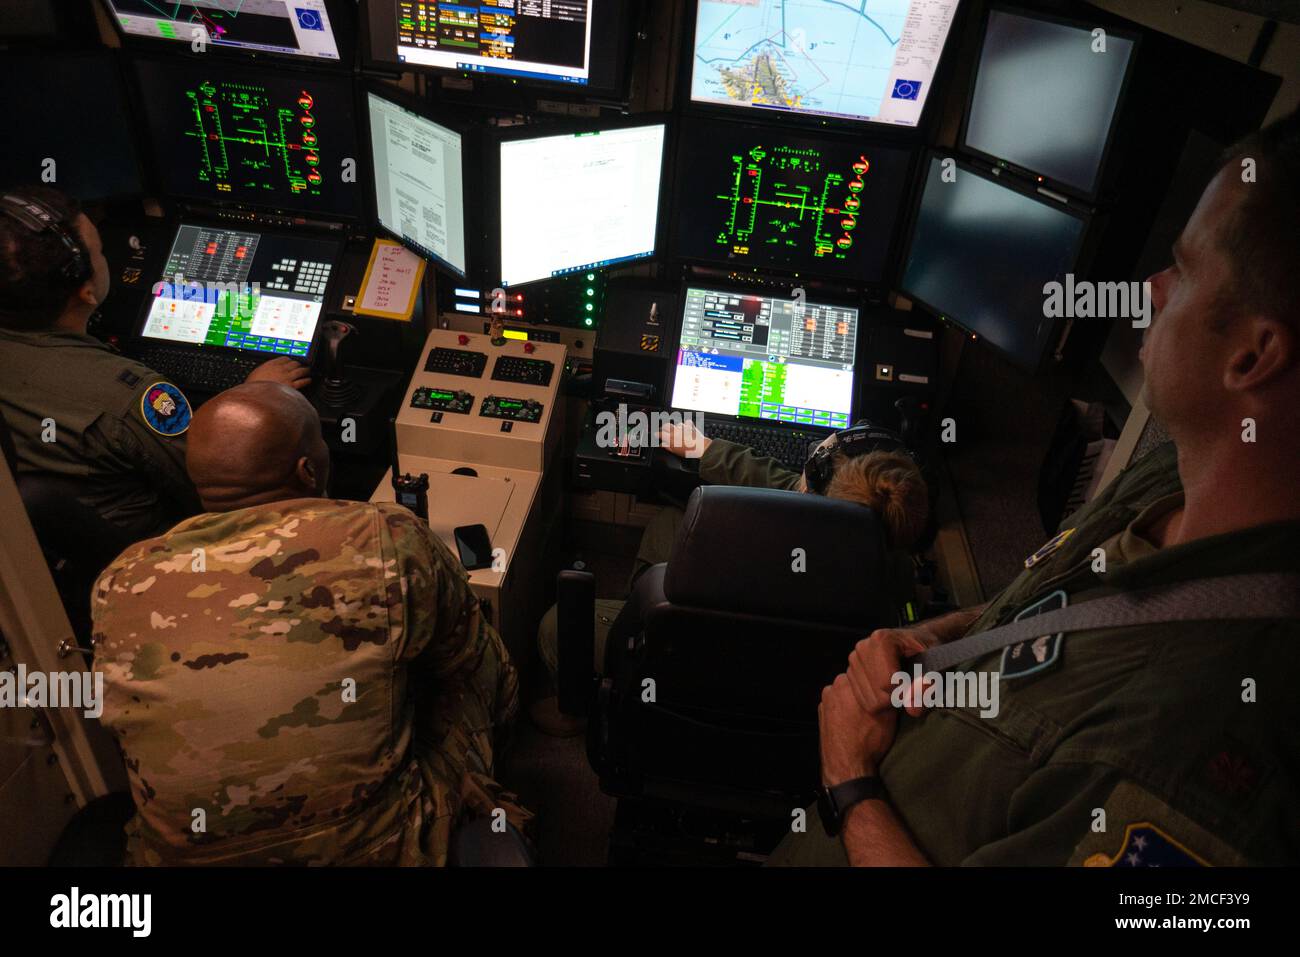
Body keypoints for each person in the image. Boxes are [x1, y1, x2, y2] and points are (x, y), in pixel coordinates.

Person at [772, 110, 1300, 866]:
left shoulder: (1209, 759)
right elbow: (1065, 607)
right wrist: (940, 636)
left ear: (1253, 357)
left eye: (1182, 269)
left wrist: (849, 784)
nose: (1150, 288)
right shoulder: (1173, 475)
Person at [90, 382, 529, 865]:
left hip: (178, 860)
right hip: (375, 850)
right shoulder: (387, 535)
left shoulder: (121, 579)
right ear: (308, 469)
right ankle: (483, 803)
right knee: (475, 671)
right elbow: (475, 660)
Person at [530, 421, 930, 735]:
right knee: (669, 523)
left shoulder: (755, 555)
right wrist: (709, 451)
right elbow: (791, 489)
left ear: (813, 499)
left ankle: (588, 705)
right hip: (791, 700)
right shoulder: (891, 580)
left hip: (688, 666)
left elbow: (792, 493)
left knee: (556, 626)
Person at [0, 185, 310, 540]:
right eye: (102, 251)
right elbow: (215, 484)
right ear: (86, 290)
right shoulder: (131, 396)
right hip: (156, 550)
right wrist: (256, 394)